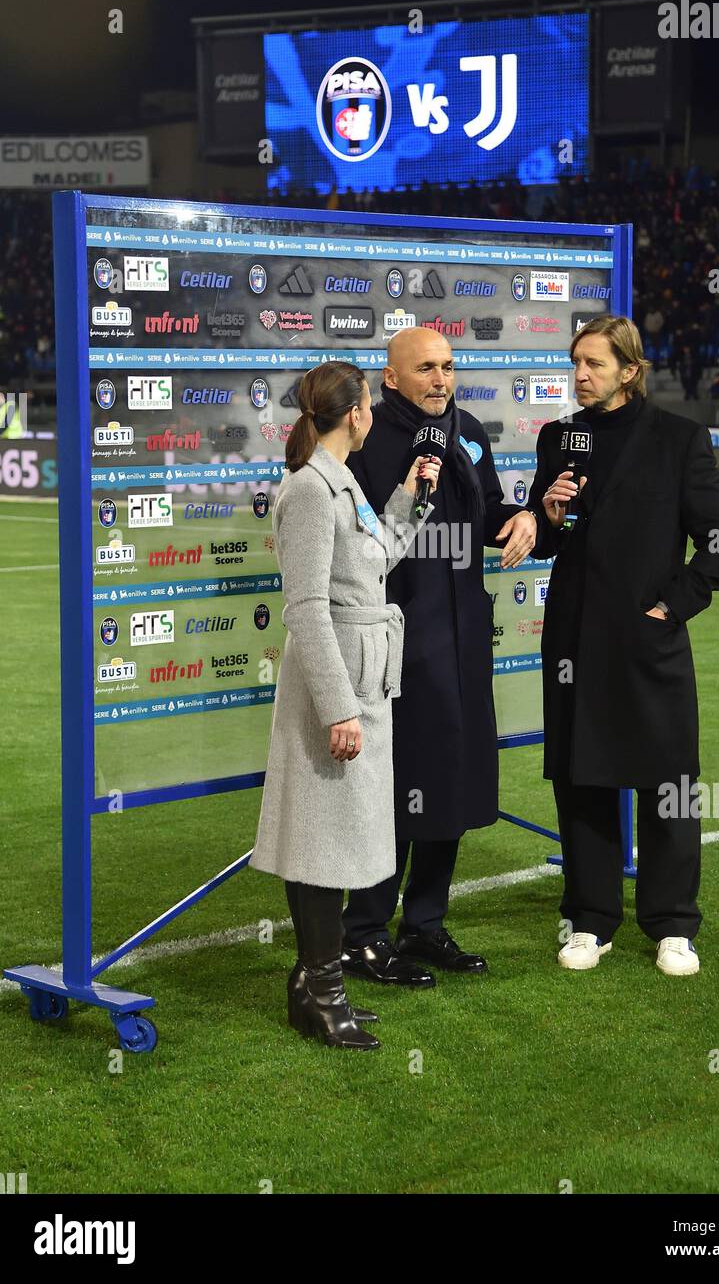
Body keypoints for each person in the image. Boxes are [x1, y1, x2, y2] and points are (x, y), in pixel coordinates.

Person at [528, 316, 719, 977]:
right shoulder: (559, 438)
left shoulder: (679, 439)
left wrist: (668, 608)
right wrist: (550, 516)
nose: (580, 375)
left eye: (593, 363)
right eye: (575, 363)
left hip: (650, 642)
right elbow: (546, 534)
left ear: (630, 369)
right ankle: (590, 921)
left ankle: (674, 924)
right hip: (573, 641)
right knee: (581, 779)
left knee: (669, 784)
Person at [249, 361, 440, 1049]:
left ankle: (314, 987)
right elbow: (305, 608)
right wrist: (338, 710)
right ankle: (323, 994)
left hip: (361, 682)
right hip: (338, 689)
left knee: (330, 838)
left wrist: (413, 498)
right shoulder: (308, 490)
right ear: (357, 412)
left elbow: (374, 560)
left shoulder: (342, 481)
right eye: (369, 404)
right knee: (323, 842)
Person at [340, 326, 537, 986]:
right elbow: (360, 541)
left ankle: (423, 924)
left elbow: (485, 518)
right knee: (394, 791)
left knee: (449, 780)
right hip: (396, 644)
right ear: (392, 378)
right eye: (425, 368)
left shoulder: (469, 428)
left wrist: (530, 519)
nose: (440, 379)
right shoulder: (367, 438)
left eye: (448, 367)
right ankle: (363, 933)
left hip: (460, 641)